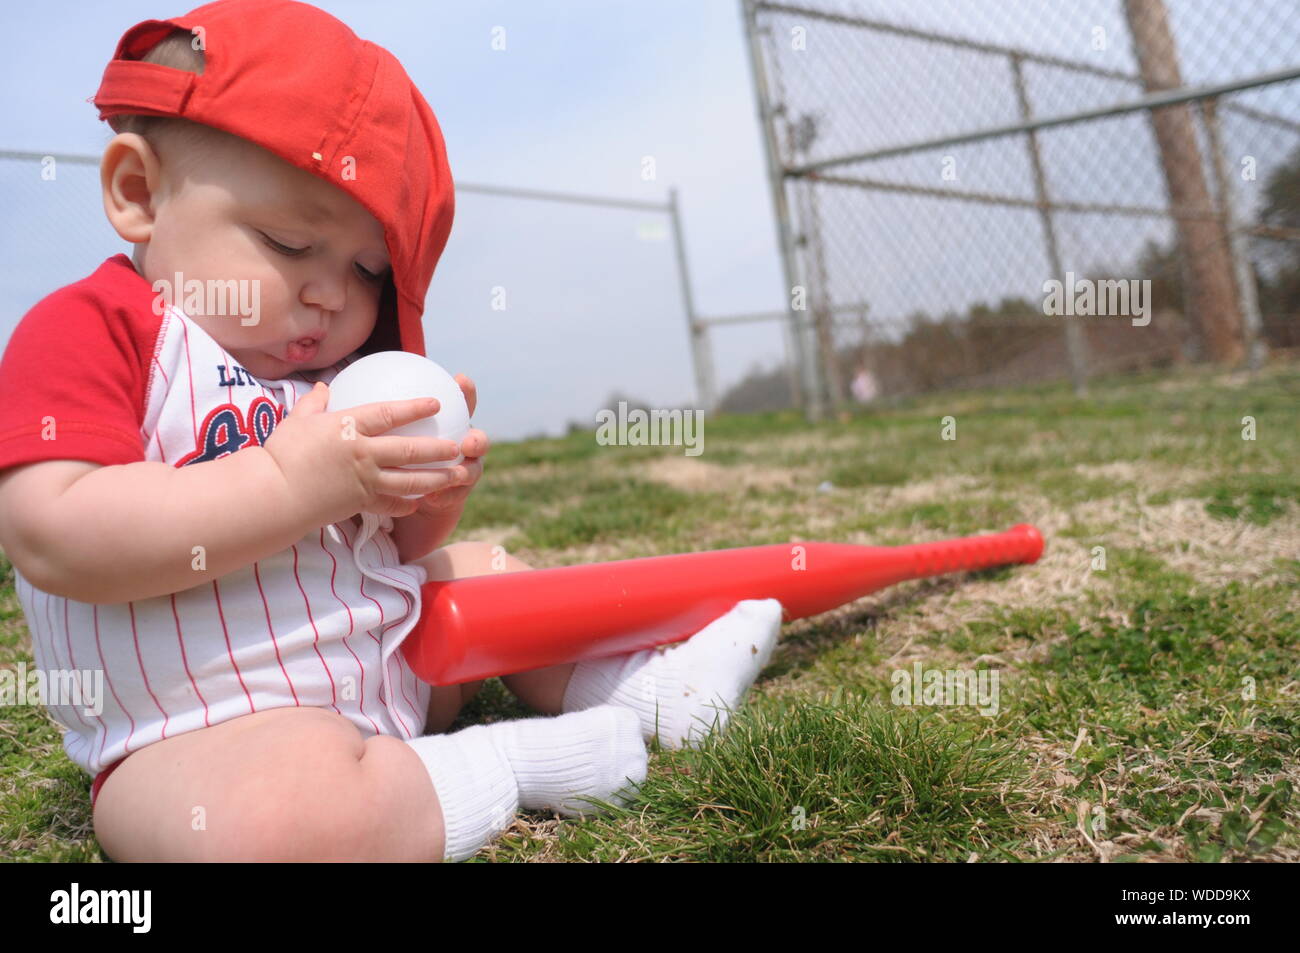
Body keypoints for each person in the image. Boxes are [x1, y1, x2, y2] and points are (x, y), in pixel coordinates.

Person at [0, 0, 782, 862]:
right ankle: (513, 762)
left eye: (368, 269)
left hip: (392, 662)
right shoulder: (98, 329)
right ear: (139, 193)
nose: (331, 295)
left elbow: (388, 551)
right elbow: (55, 532)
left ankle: (649, 694)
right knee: (246, 830)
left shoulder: (334, 375)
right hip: (205, 730)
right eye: (289, 243)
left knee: (482, 577)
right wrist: (288, 483)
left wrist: (424, 502)